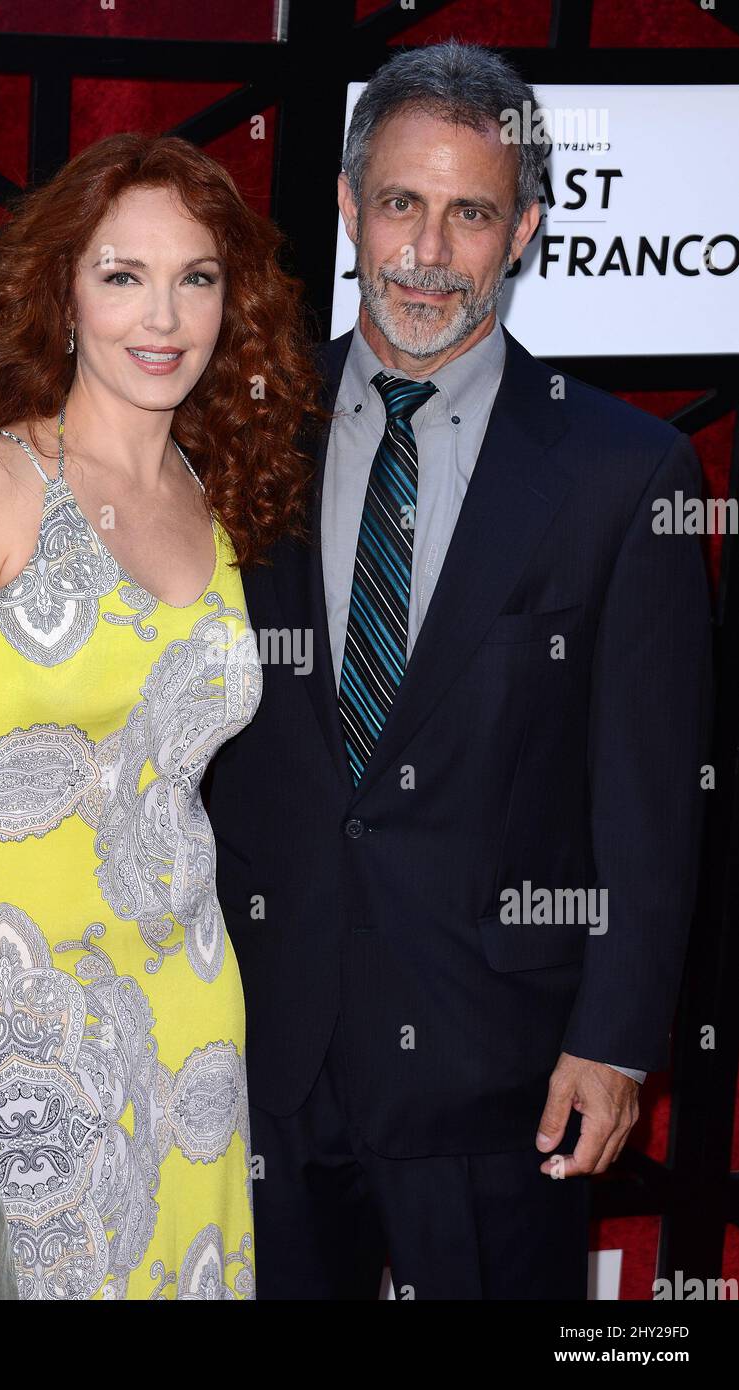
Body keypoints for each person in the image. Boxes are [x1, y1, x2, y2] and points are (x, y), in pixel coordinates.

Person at [202, 41, 713, 1298]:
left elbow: (653, 803)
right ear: (346, 206)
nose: (427, 251)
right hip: (255, 1057)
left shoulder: (623, 475)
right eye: (399, 204)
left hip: (504, 1079)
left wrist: (615, 1040)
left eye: (469, 212)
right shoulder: (234, 424)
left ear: (525, 227)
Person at [0, 133, 321, 1301]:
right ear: (62, 292)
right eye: (122, 276)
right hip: (15, 1021)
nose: (161, 315)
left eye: (196, 277)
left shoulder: (217, 503)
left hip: (191, 1005)